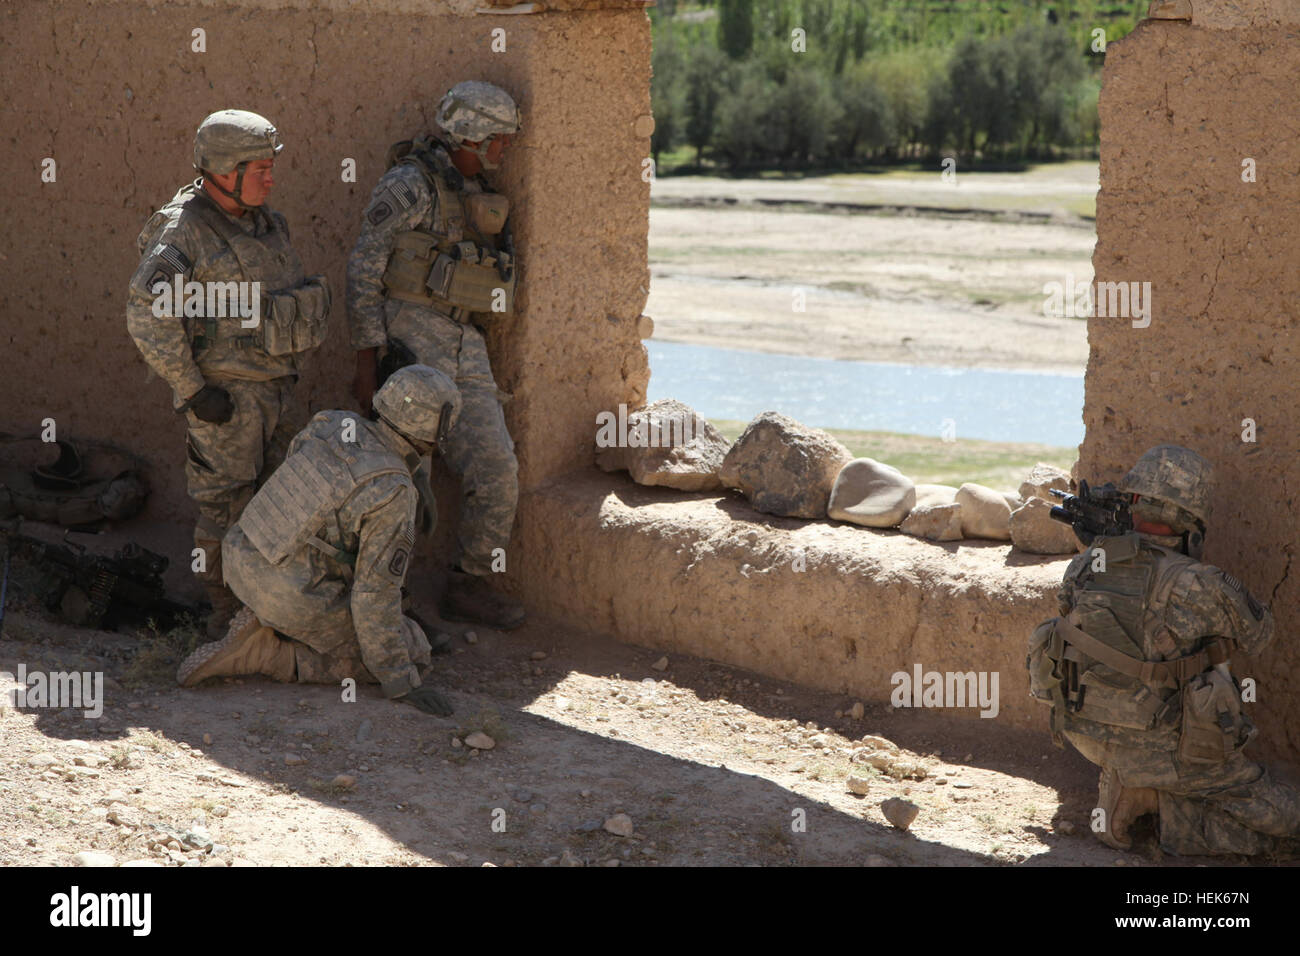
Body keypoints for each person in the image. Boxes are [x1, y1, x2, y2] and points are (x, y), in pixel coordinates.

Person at [1029, 445, 1300, 857]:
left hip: (1085, 734)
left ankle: (1134, 789)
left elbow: (1073, 614)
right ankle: (1156, 801)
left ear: (1132, 502)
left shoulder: (1088, 563)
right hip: (1176, 752)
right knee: (1286, 822)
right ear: (1192, 518)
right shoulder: (1203, 583)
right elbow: (1261, 636)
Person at [126, 109, 331, 639]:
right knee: (224, 507)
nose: (271, 177)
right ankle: (222, 619)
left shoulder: (267, 223)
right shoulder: (185, 230)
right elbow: (147, 313)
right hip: (225, 399)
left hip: (275, 390)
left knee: (277, 501)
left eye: (270, 166)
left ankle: (266, 613)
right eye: (258, 167)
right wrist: (194, 392)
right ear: (222, 168)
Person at [176, 365, 460, 717]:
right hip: (287, 592)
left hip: (240, 556)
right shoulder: (393, 491)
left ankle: (270, 621)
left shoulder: (334, 423)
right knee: (415, 644)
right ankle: (271, 655)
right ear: (437, 427)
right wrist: (400, 679)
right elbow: (375, 594)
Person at [345, 80, 523, 630]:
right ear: (471, 135)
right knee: (403, 478)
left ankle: (470, 582)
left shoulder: (474, 192)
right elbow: (363, 268)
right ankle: (384, 600)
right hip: (410, 344)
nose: (504, 151)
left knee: (496, 466)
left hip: (464, 344)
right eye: (498, 139)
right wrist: (367, 360)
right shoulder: (409, 185)